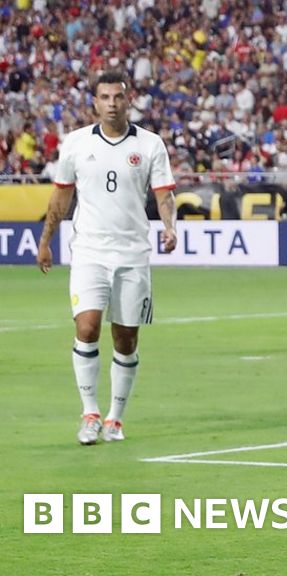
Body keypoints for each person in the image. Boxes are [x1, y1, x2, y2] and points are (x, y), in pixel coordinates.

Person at [37, 71, 177, 445]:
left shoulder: (150, 145)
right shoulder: (77, 143)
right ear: (95, 103)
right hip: (89, 251)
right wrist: (46, 239)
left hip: (132, 253)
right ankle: (90, 413)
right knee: (87, 327)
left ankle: (115, 418)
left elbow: (164, 193)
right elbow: (61, 196)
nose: (112, 103)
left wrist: (170, 226)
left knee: (126, 337)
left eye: (118, 96)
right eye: (105, 97)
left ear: (128, 100)